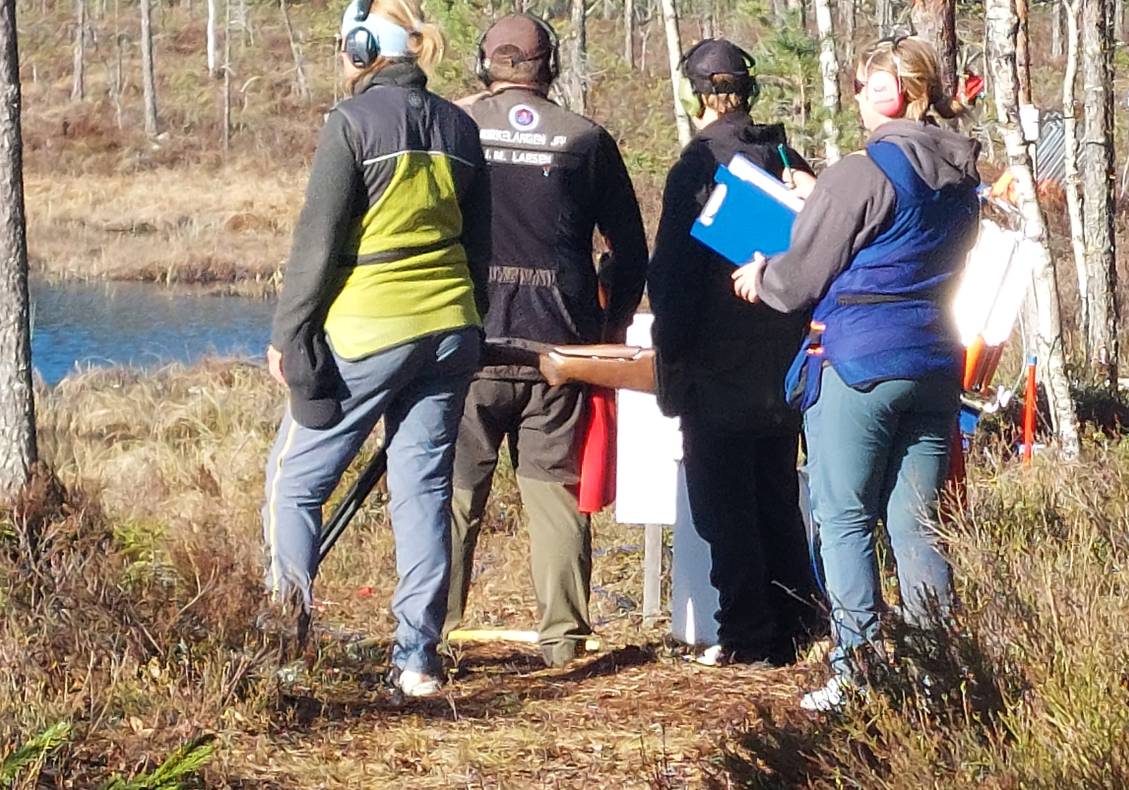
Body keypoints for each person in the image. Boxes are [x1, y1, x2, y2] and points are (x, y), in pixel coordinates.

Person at [732, 35, 980, 709]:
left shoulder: (860, 172)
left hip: (858, 362)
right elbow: (896, 234)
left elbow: (799, 279)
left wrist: (763, 276)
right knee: (918, 525)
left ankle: (857, 671)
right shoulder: (963, 174)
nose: (860, 99)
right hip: (935, 361)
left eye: (867, 86)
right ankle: (937, 675)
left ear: (892, 94)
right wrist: (823, 196)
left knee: (843, 517)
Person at [262, 0, 491, 698]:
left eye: (344, 46)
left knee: (295, 483)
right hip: (452, 328)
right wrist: (469, 323)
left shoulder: (351, 122)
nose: (341, 58)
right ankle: (417, 660)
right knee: (423, 491)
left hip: (370, 329)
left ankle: (286, 649)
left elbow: (317, 243)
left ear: (365, 49)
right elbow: (479, 246)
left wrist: (288, 337)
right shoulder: (459, 126)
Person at [446, 13, 649, 668]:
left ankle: (429, 638)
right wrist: (608, 333)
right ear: (550, 66)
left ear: (486, 63)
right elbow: (630, 250)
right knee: (557, 498)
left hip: (468, 346)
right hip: (559, 352)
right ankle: (563, 642)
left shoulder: (454, 128)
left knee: (453, 499)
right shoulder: (585, 139)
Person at [647, 38, 821, 667]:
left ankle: (748, 634)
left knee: (724, 505)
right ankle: (798, 624)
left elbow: (672, 276)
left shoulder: (696, 167)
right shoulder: (787, 158)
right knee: (775, 494)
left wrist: (670, 357)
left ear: (693, 95)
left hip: (715, 367)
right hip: (783, 363)